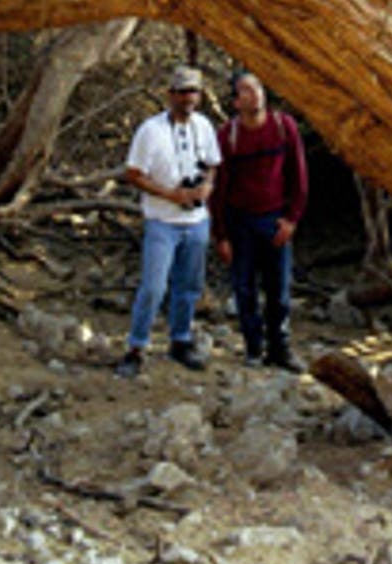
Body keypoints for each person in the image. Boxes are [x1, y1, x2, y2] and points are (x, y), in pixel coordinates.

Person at [115, 63, 221, 378]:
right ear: (170, 94)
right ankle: (136, 347)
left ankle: (180, 340)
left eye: (194, 91)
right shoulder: (150, 130)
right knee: (153, 287)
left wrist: (207, 187)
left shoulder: (204, 126)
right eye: (182, 91)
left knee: (189, 286)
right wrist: (169, 194)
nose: (188, 98)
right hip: (162, 220)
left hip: (197, 220)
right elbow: (133, 173)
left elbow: (213, 163)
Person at [211, 69, 308, 371]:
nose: (255, 95)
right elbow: (218, 189)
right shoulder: (227, 136)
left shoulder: (284, 127)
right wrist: (221, 235)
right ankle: (254, 348)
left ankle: (281, 347)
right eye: (246, 91)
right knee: (244, 289)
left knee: (279, 291)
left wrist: (291, 220)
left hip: (275, 219)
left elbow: (299, 177)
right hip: (240, 223)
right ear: (235, 101)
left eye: (258, 88)